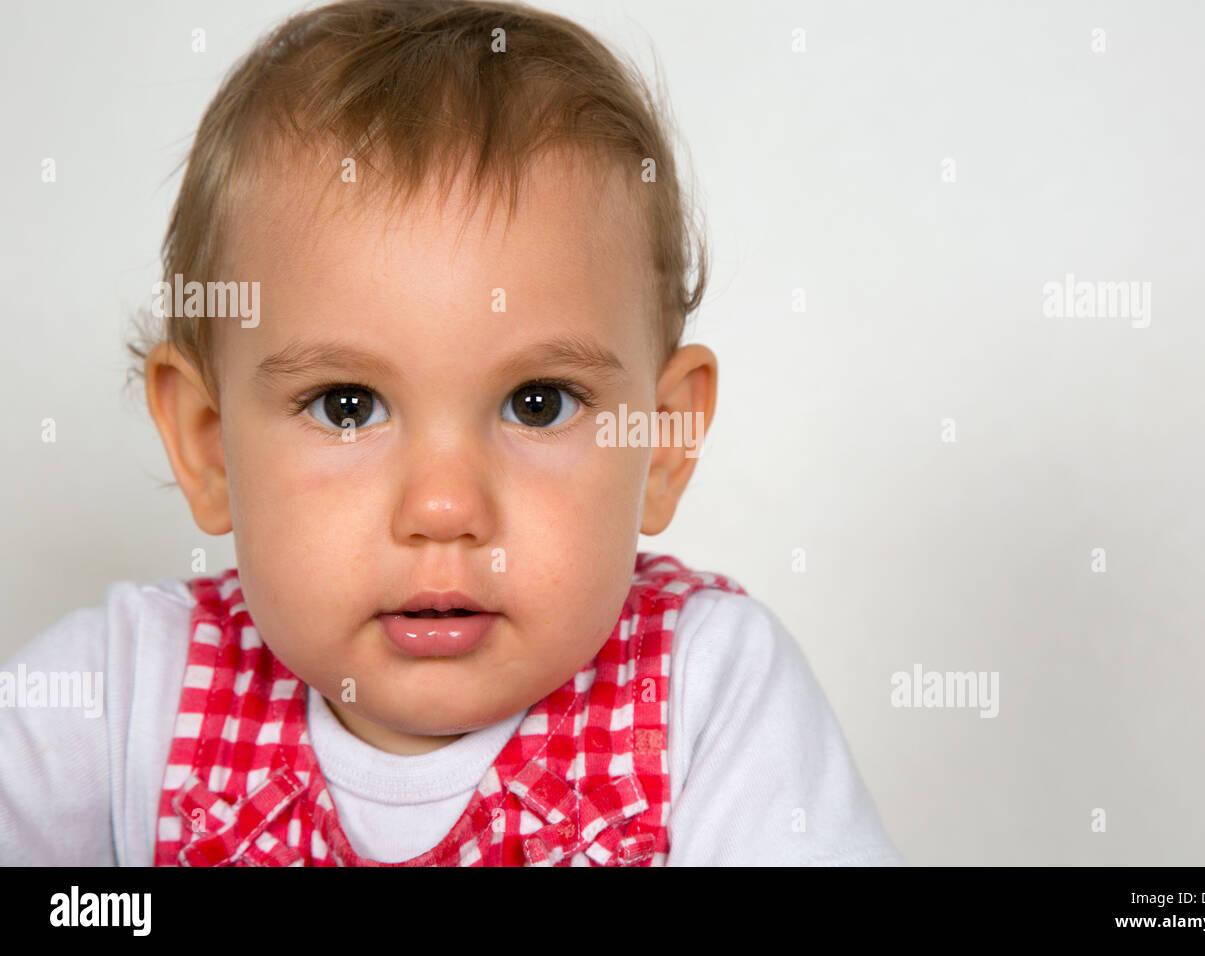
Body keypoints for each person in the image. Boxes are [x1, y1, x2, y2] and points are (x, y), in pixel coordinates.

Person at [0, 0, 901, 866]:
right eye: (347, 406)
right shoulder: (123, 695)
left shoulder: (709, 694)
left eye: (538, 403)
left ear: (660, 439)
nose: (443, 508)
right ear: (209, 442)